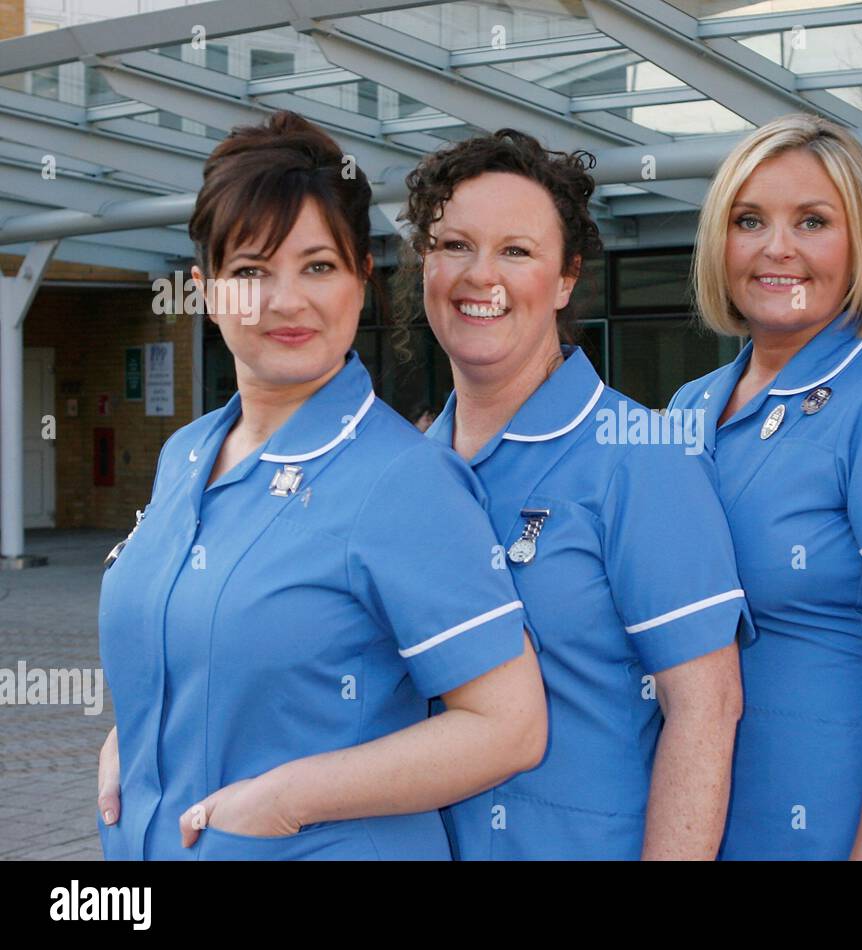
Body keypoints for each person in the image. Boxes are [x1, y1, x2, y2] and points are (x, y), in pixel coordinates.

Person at [95, 111, 546, 861]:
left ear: (362, 281)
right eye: (250, 272)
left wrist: (288, 799)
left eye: (317, 266)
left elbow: (509, 725)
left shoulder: (404, 481)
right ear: (206, 291)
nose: (285, 301)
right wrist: (138, 731)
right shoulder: (184, 455)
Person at [401, 129, 752, 859]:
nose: (480, 276)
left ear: (565, 280)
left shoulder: (638, 458)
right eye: (454, 245)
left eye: (516, 251)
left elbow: (707, 712)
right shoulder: (401, 475)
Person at [670, 114, 862, 859]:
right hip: (703, 822)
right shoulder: (687, 408)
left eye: (811, 221)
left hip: (849, 830)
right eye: (750, 221)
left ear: (859, 243)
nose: (777, 248)